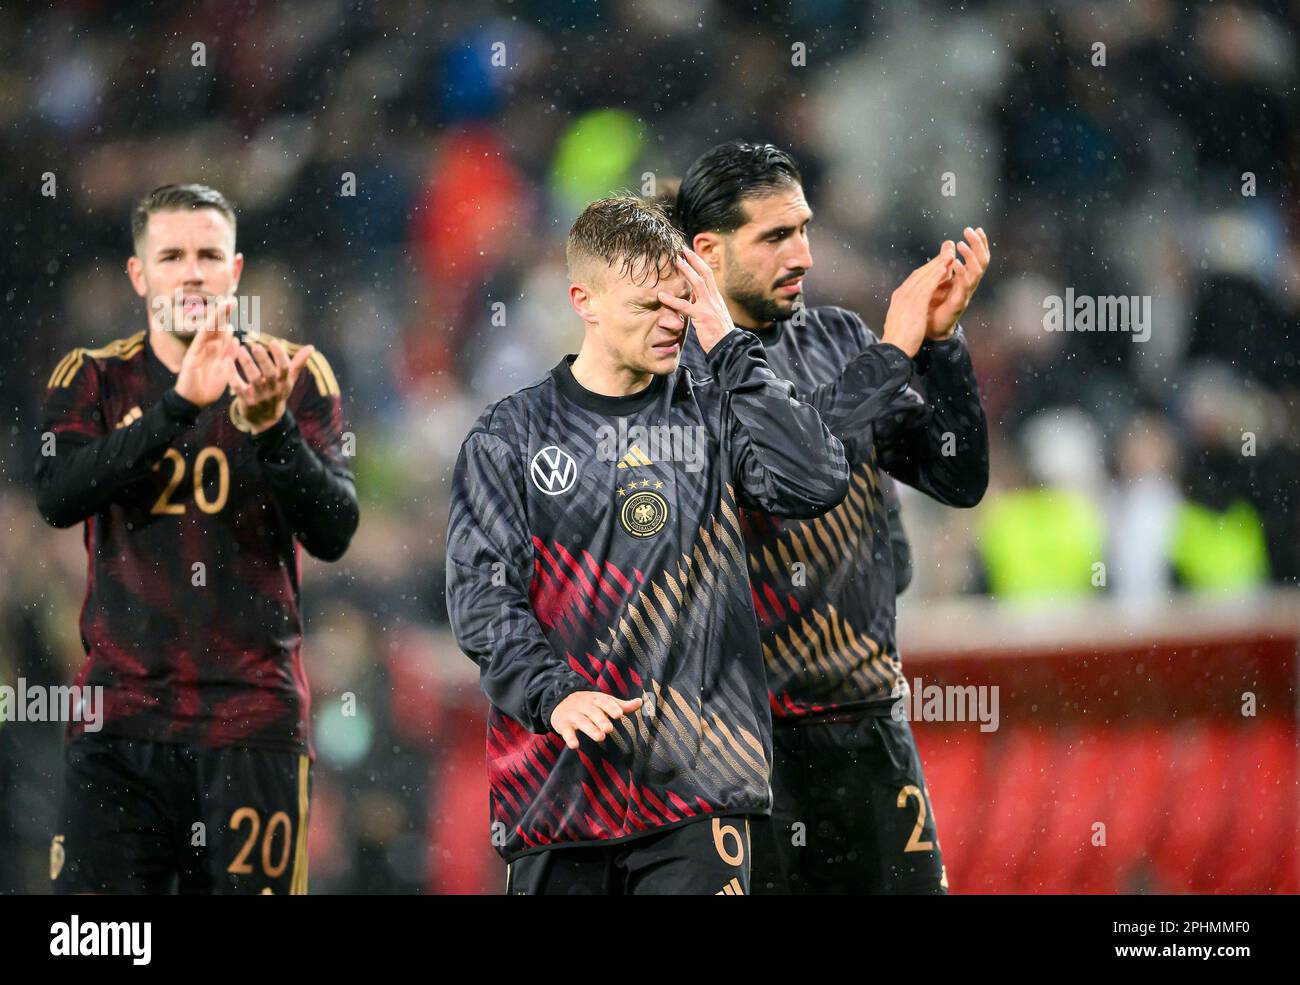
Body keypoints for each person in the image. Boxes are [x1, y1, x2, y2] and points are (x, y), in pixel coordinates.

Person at [445, 195, 853, 894]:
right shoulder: (508, 437)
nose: (672, 323)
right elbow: (482, 600)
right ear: (586, 302)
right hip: (558, 794)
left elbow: (817, 480)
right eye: (647, 307)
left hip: (698, 793)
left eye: (681, 302)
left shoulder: (713, 409)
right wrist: (556, 694)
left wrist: (729, 345)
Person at [675, 141, 990, 893]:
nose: (806, 254)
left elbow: (957, 475)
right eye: (777, 236)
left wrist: (940, 345)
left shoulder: (841, 339)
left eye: (806, 229)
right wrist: (893, 354)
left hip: (869, 721)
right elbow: (796, 472)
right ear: (708, 253)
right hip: (741, 744)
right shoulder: (673, 376)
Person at [36, 183, 359, 894]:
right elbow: (58, 496)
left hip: (252, 719)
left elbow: (334, 530)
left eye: (209, 255)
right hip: (120, 721)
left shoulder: (293, 375)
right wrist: (179, 405)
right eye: (172, 255)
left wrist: (274, 430)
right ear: (139, 274)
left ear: (235, 272)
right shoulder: (93, 375)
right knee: (96, 946)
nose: (191, 272)